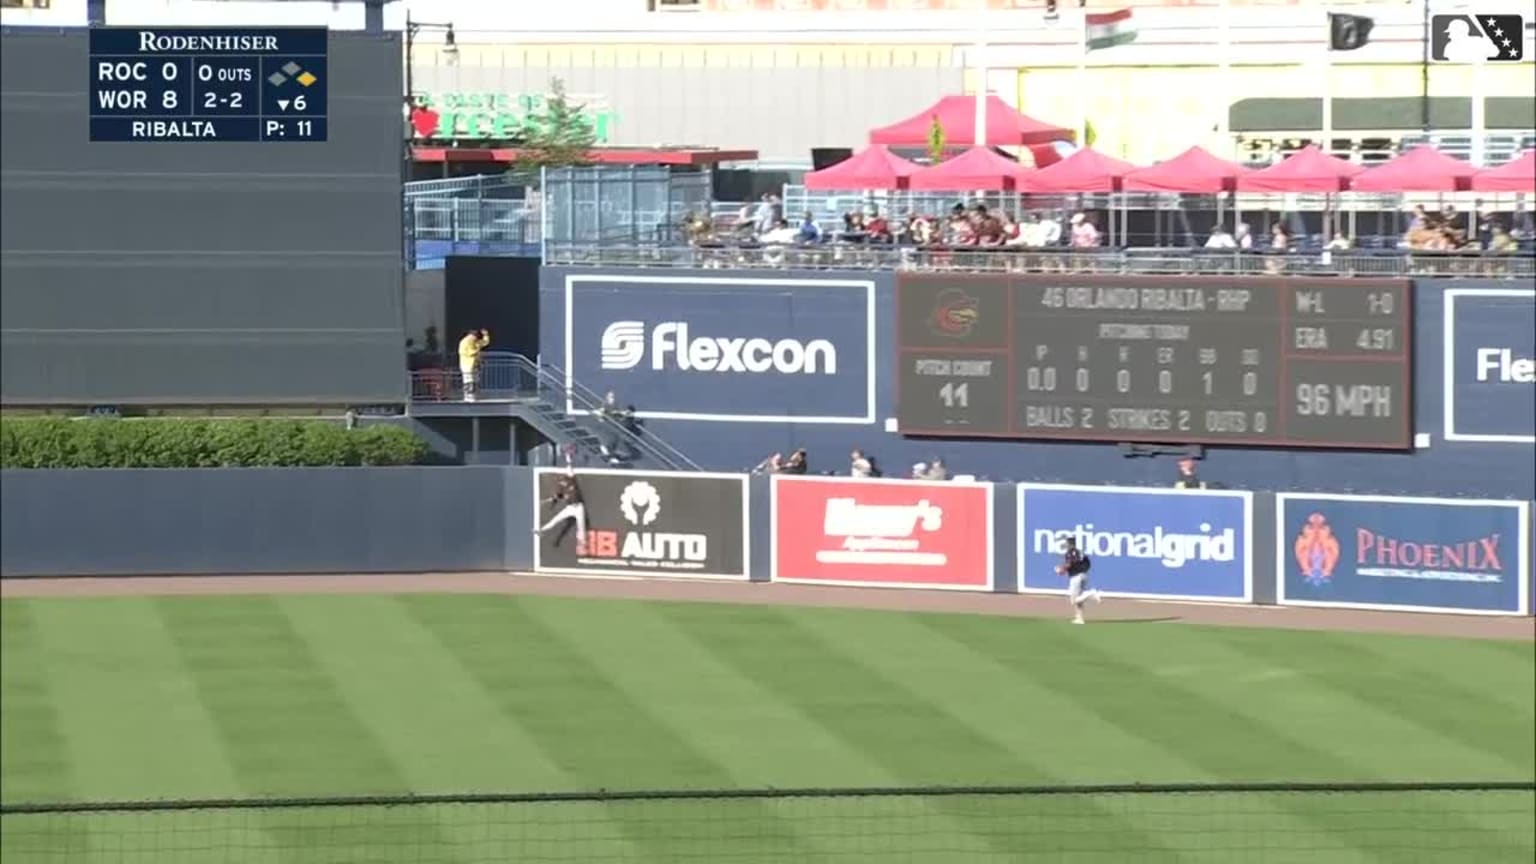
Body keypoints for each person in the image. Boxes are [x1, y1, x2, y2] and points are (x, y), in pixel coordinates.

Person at [535, 466, 586, 550]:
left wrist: (569, 462)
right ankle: (541, 530)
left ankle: (582, 544)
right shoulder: (563, 490)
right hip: (570, 508)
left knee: (581, 527)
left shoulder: (572, 481)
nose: (563, 482)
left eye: (564, 481)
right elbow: (556, 497)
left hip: (579, 507)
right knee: (555, 520)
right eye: (562, 482)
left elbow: (570, 470)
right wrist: (547, 500)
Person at [1055, 537, 1101, 625]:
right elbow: (1087, 563)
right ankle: (1079, 618)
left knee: (1074, 600)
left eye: (1067, 543)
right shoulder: (1080, 552)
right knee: (1080, 598)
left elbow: (1068, 564)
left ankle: (1092, 593)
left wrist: (1060, 570)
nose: (1066, 545)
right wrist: (1082, 570)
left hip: (1075, 577)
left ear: (1070, 544)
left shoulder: (1069, 553)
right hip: (1084, 575)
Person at [457, 328, 491, 402]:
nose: (475, 338)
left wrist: (486, 335)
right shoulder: (464, 342)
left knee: (475, 381)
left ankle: (474, 396)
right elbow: (468, 353)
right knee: (469, 381)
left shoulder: (474, 342)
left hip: (475, 365)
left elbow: (484, 343)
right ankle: (468, 397)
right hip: (467, 365)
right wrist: (477, 350)